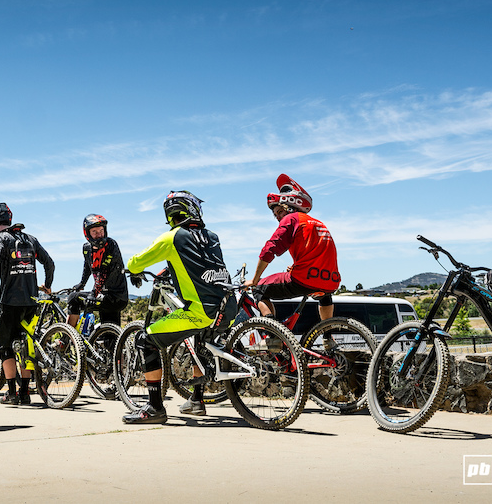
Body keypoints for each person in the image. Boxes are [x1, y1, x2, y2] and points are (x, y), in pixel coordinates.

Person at [123, 191, 235, 423]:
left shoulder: (171, 238)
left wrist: (133, 271)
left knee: (147, 340)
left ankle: (155, 408)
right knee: (198, 341)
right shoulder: (212, 236)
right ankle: (196, 400)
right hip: (228, 307)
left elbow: (135, 262)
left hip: (201, 311)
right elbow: (198, 264)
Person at [0, 202, 55, 406]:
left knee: (4, 346)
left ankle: (12, 393)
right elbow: (49, 263)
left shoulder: (1, 238)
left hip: (10, 301)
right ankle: (26, 393)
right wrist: (47, 286)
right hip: (32, 300)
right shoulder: (30, 239)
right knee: (27, 345)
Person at [242, 174, 340, 325]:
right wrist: (296, 266)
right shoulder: (317, 223)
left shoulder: (292, 219)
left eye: (280, 212)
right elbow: (318, 253)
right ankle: (328, 337)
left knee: (260, 289)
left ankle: (273, 336)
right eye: (275, 215)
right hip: (331, 281)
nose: (278, 217)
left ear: (290, 206)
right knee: (324, 295)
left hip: (304, 279)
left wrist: (255, 280)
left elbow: (269, 249)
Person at [67, 214, 128, 328]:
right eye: (94, 231)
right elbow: (88, 265)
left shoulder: (111, 245)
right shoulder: (87, 248)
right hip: (104, 295)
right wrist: (82, 283)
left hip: (115, 297)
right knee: (110, 337)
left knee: (73, 298)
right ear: (87, 233)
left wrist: (92, 293)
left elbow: (105, 272)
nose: (99, 234)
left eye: (101, 230)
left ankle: (66, 340)